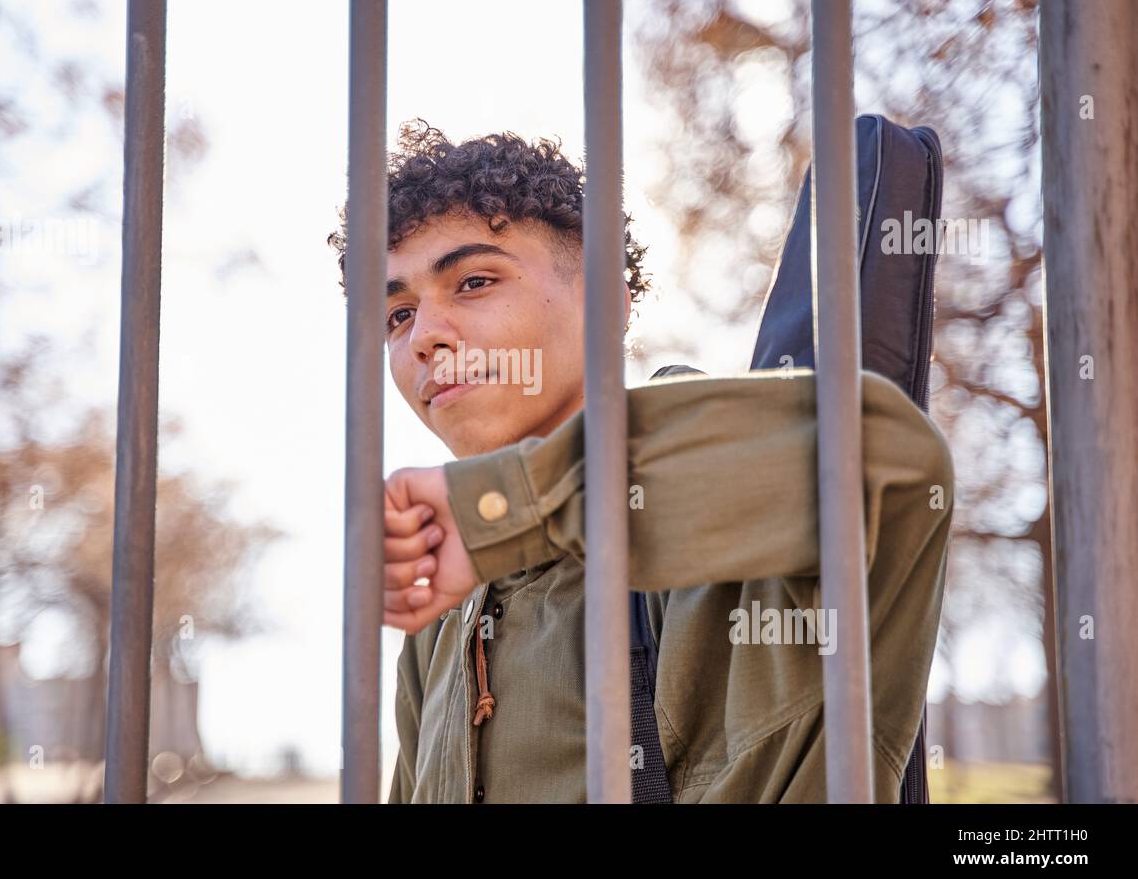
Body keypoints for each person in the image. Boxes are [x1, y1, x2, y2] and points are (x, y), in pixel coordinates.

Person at [328, 119, 954, 803]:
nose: (423, 336)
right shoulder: (442, 614)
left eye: (474, 281)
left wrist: (511, 506)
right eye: (396, 314)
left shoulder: (724, 487)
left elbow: (885, 459)